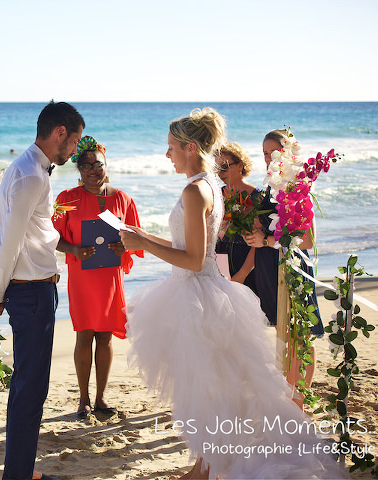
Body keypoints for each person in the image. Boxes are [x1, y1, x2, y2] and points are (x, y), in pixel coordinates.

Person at [120, 109, 341, 479]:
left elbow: (192, 259)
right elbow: (195, 249)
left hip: (195, 296)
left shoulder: (195, 189)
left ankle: (205, 470)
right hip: (205, 293)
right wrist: (141, 239)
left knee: (207, 391)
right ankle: (203, 467)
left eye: (171, 147)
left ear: (190, 147)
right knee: (214, 389)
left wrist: (142, 241)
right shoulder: (208, 183)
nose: (167, 154)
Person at [0, 101, 85, 480]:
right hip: (31, 293)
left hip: (35, 290)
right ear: (59, 132)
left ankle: (21, 470)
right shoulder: (30, 175)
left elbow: (28, 232)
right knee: (29, 389)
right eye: (73, 140)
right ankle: (18, 475)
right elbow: (7, 240)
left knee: (31, 386)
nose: (75, 149)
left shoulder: (31, 169)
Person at [52, 135, 143, 419]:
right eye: (86, 166)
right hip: (83, 276)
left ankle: (101, 398)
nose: (93, 170)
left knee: (105, 337)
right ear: (78, 170)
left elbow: (137, 238)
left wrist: (123, 245)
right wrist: (73, 249)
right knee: (84, 335)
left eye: (98, 164)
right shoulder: (67, 199)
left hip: (110, 276)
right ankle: (83, 401)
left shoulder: (122, 198)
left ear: (106, 165)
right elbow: (51, 237)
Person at [243, 129, 324, 407]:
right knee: (282, 332)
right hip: (269, 268)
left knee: (300, 335)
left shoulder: (297, 185)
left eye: (272, 152)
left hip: (292, 269)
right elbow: (267, 225)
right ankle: (286, 396)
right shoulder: (269, 184)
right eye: (264, 153)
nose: (268, 158)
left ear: (287, 152)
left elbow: (307, 240)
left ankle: (299, 399)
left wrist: (265, 240)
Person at [214, 141, 259, 294]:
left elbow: (257, 242)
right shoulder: (216, 195)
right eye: (217, 168)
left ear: (240, 165)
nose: (220, 173)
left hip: (247, 266)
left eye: (225, 167)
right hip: (220, 264)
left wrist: (242, 274)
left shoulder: (256, 196)